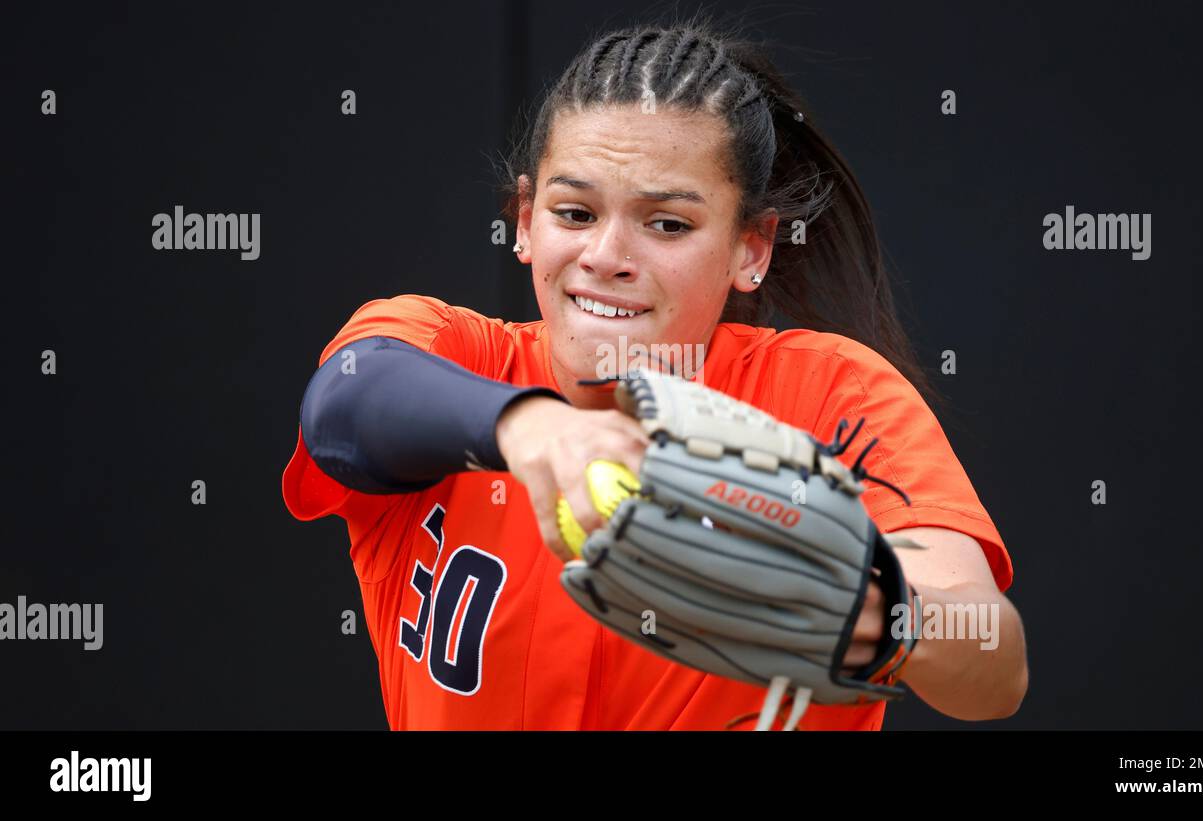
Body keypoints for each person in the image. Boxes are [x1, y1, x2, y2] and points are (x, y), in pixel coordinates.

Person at [281, 17, 1027, 730]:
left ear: (752, 248)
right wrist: (531, 426)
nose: (606, 254)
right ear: (523, 220)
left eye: (667, 223)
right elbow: (344, 402)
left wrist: (869, 612)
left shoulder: (830, 393)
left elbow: (996, 663)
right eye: (574, 212)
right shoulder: (453, 355)